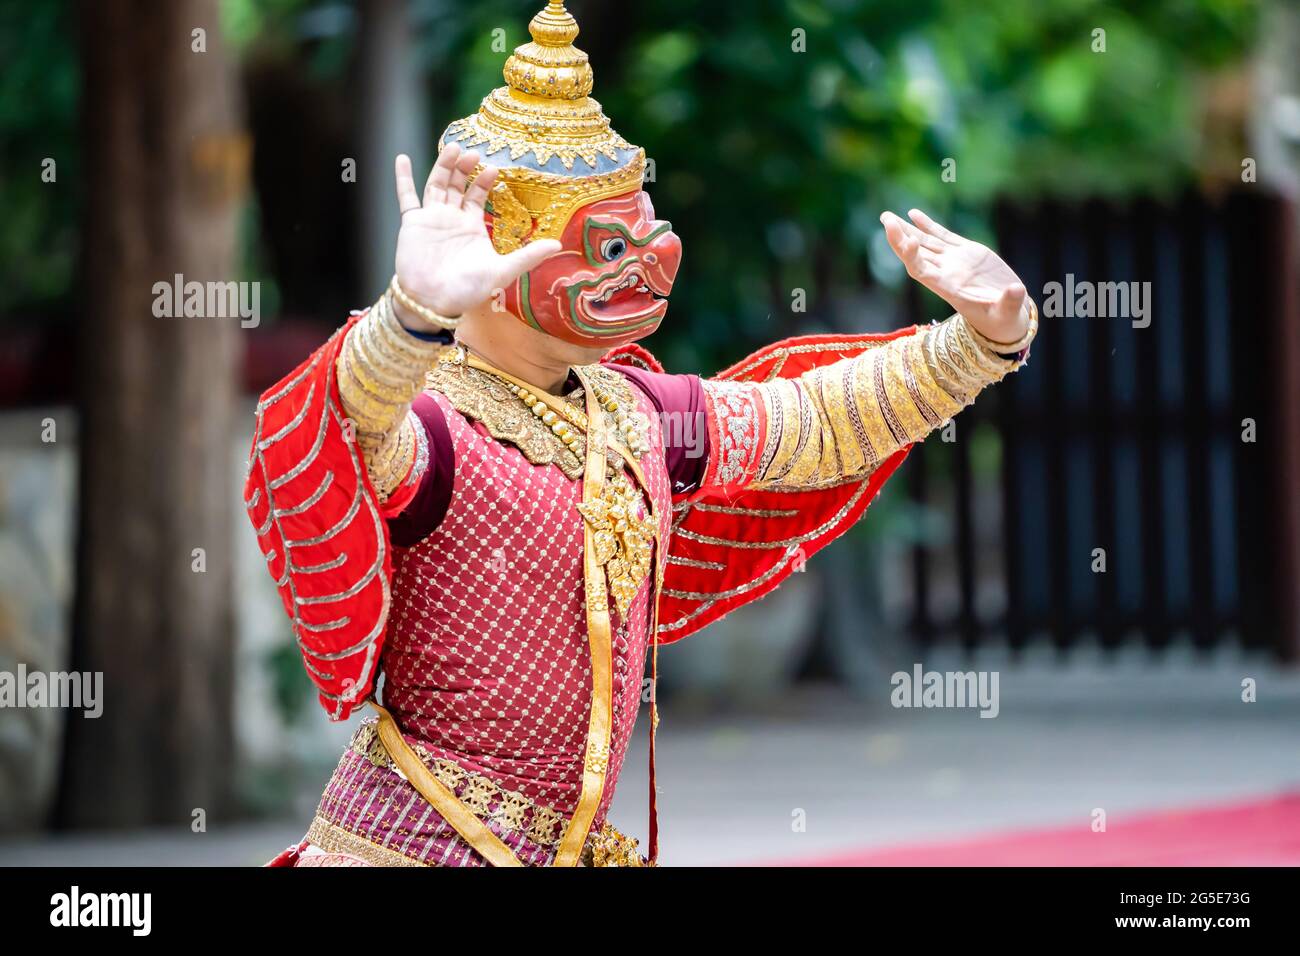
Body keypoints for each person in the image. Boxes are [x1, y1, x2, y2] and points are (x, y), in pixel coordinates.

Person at [250, 0, 1038, 867]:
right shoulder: (435, 424)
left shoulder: (633, 413)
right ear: (499, 250)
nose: (643, 265)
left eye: (645, 235)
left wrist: (982, 340)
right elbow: (350, 426)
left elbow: (814, 424)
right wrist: (410, 316)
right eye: (605, 246)